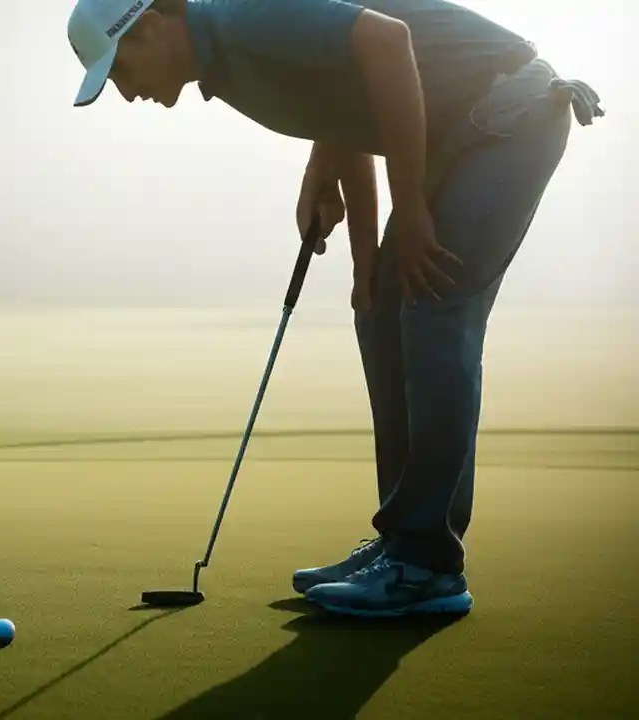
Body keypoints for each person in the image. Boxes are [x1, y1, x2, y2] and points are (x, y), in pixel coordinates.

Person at [66, 0, 603, 617]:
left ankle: (426, 565)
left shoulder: (240, 18)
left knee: (432, 307)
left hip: (511, 116)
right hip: (454, 136)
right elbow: (346, 110)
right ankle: (400, 542)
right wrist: (363, 263)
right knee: (378, 312)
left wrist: (413, 210)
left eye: (121, 68)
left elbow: (387, 44)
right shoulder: (225, 66)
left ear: (156, 18)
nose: (126, 92)